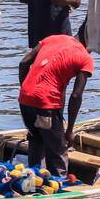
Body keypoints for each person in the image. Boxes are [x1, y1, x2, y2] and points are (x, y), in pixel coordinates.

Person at [17, 30, 94, 177]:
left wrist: (27, 89)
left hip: (25, 99)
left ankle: (34, 179)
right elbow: (76, 95)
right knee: (57, 149)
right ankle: (58, 183)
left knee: (36, 138)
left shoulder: (53, 38)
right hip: (46, 104)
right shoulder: (85, 58)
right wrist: (70, 130)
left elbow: (24, 63)